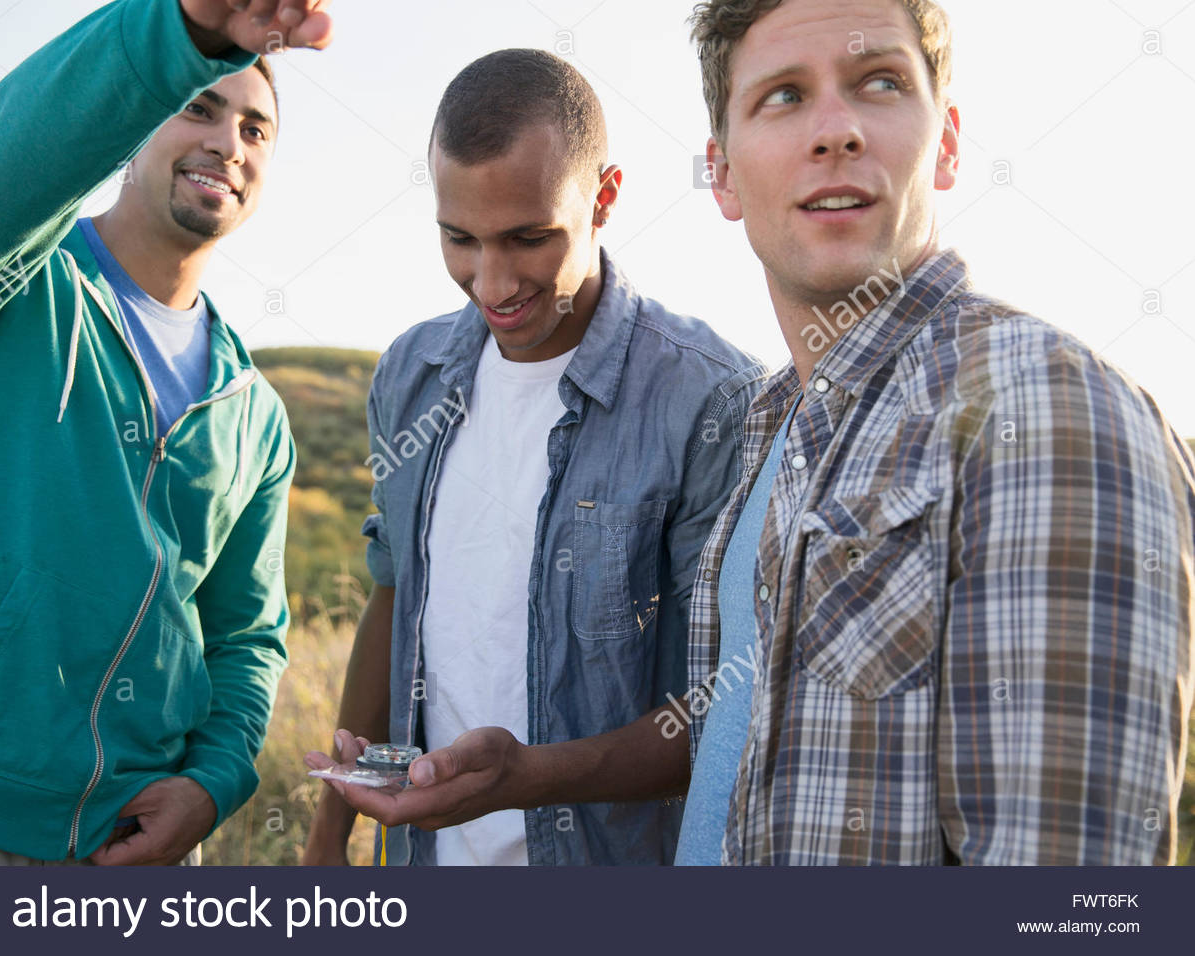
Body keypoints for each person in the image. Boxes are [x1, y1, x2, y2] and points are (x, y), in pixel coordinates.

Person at [319, 0, 1195, 866]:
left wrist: (533, 778)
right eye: (783, 96)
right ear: (724, 174)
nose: (836, 130)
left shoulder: (1043, 406)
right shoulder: (778, 423)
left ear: (949, 142)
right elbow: (729, 744)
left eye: (880, 82)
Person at [302, 49, 766, 866]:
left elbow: (728, 711)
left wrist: (526, 778)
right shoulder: (410, 376)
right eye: (460, 239)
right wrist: (328, 835)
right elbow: (392, 592)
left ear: (605, 198)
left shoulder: (711, 400)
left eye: (528, 238)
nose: (492, 284)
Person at [0, 0, 332, 866]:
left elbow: (246, 636)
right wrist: (179, 37)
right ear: (137, 122)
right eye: (199, 106)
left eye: (255, 129)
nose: (228, 143)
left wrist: (213, 782)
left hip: (131, 849)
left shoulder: (253, 412)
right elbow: (10, 161)